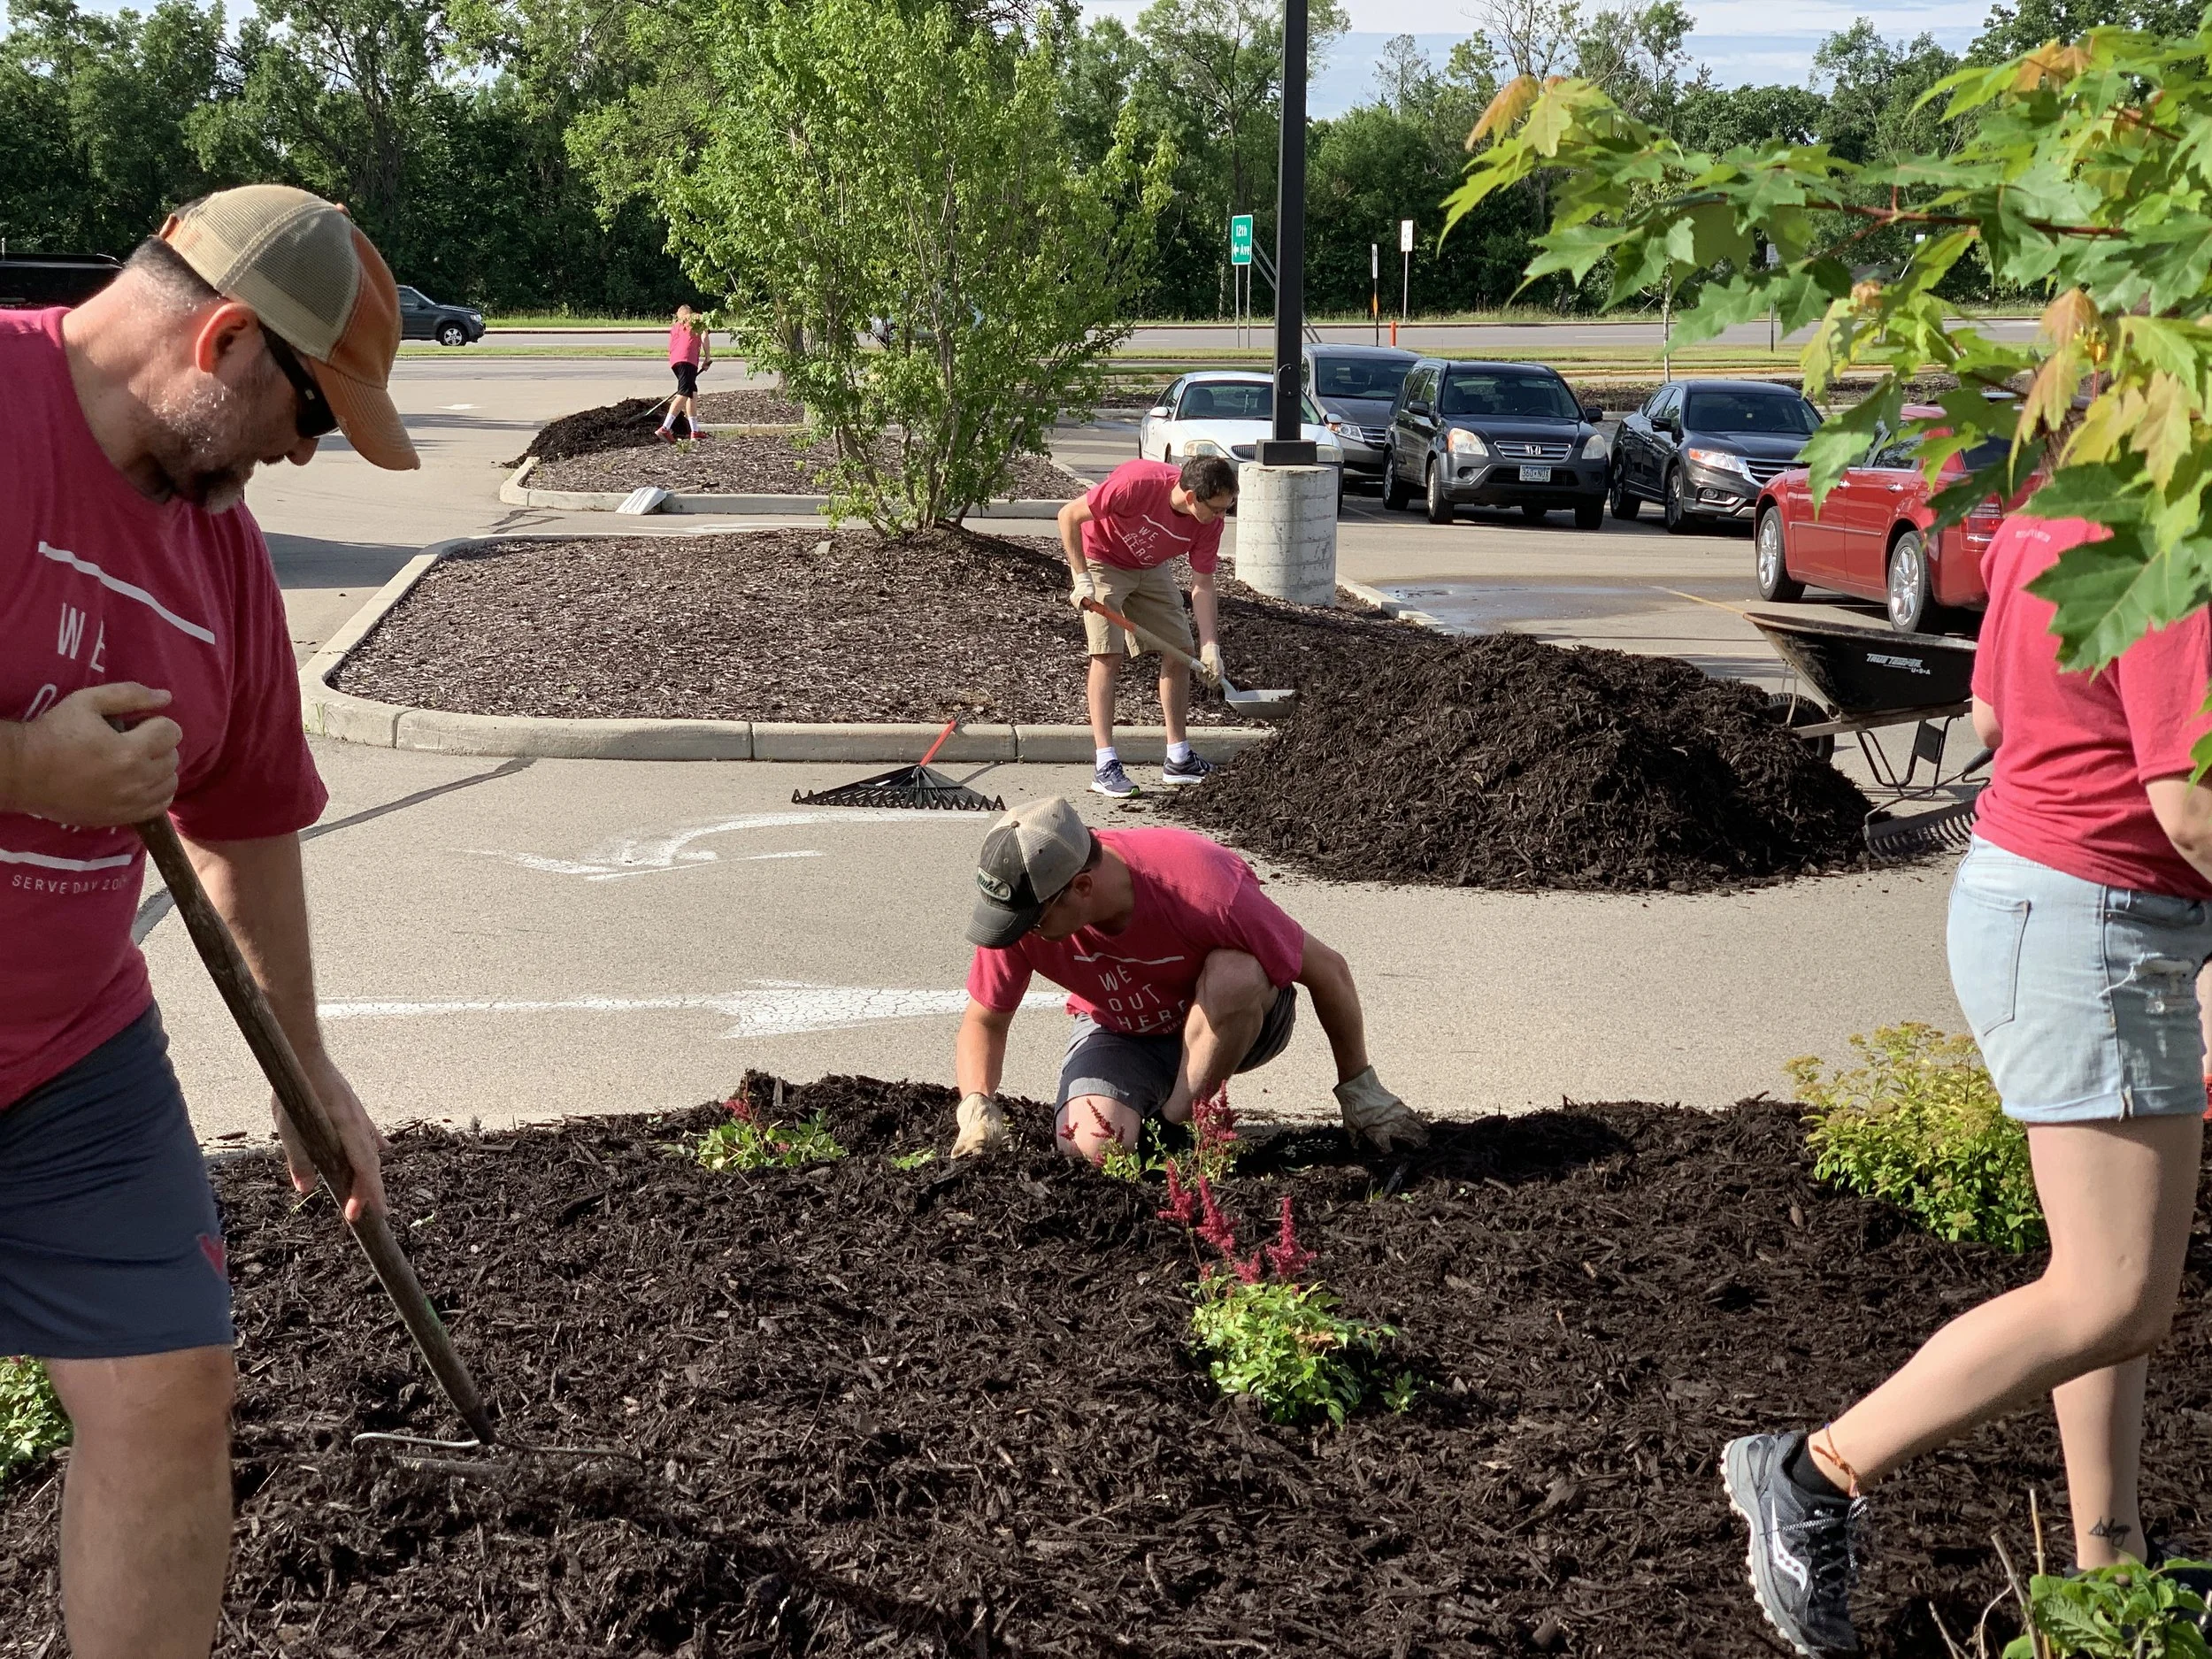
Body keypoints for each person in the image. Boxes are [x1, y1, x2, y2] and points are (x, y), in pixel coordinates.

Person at [1, 185, 405, 1659]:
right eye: (307, 414)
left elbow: (243, 828)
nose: (303, 455)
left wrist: (307, 1081)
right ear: (227, 339)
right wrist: (25, 766)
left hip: (65, 1058)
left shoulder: (219, 555)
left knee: (171, 1385)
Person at [1724, 513, 2212, 1659]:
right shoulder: (2174, 538)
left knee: (2109, 1277)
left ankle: (2110, 1568)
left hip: (2058, 896)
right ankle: (1813, 1470)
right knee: (2115, 1292)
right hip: (2097, 919)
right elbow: (2189, 805)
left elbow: (1989, 716)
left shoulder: (2053, 512)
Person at [947, 795, 1431, 1162]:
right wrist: (976, 1104)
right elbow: (986, 1020)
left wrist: (1360, 1090)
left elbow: (1330, 972)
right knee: (1091, 1148)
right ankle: (1164, 1116)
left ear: (1082, 887)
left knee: (1237, 972)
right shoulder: (1024, 914)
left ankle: (1182, 1122)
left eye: (1031, 921)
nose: (1019, 933)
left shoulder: (1204, 889)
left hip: (1236, 1018)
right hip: (1122, 1029)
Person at [1056, 455, 1239, 799]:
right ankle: (1105, 764)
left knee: (1181, 652)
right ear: (1190, 497)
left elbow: (1203, 584)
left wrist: (1210, 645)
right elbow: (1069, 515)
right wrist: (1080, 578)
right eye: (1215, 509)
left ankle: (1179, 758)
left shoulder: (1210, 524)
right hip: (1101, 558)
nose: (1221, 517)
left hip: (1150, 567)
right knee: (1107, 654)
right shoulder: (1137, 486)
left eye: (1226, 508)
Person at [657, 304, 711, 442]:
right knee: (683, 392)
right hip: (687, 359)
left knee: (691, 393)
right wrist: (707, 358)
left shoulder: (676, 325)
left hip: (675, 361)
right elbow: (704, 336)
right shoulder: (697, 318)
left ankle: (695, 431)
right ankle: (665, 428)